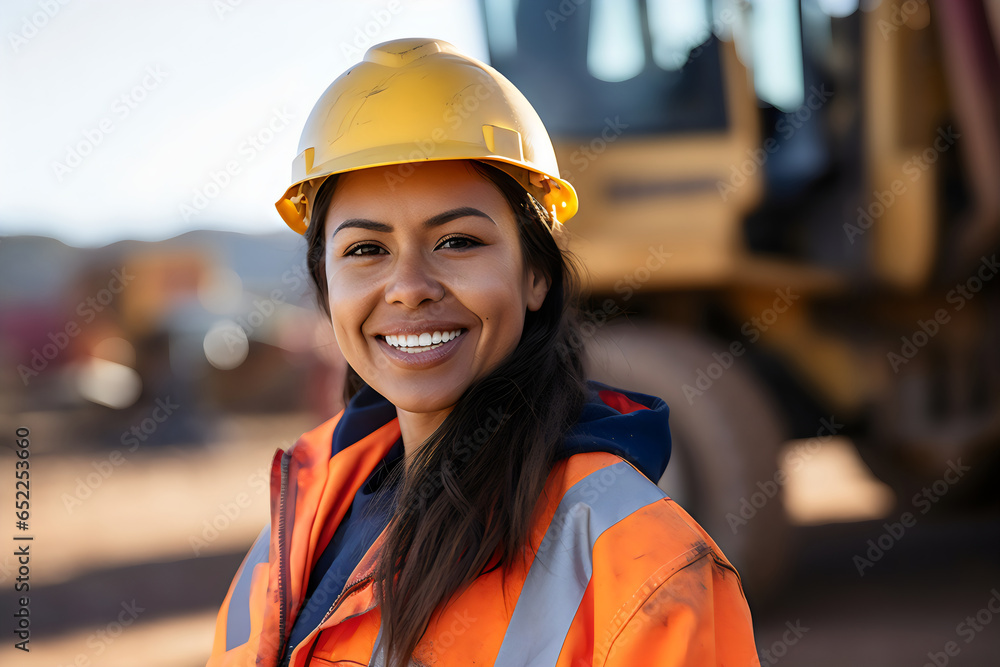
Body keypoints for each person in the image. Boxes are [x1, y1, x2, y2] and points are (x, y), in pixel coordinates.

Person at [206, 38, 760, 667]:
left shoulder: (647, 564)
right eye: (366, 249)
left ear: (535, 277)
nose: (410, 287)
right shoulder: (304, 509)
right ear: (325, 286)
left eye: (458, 241)